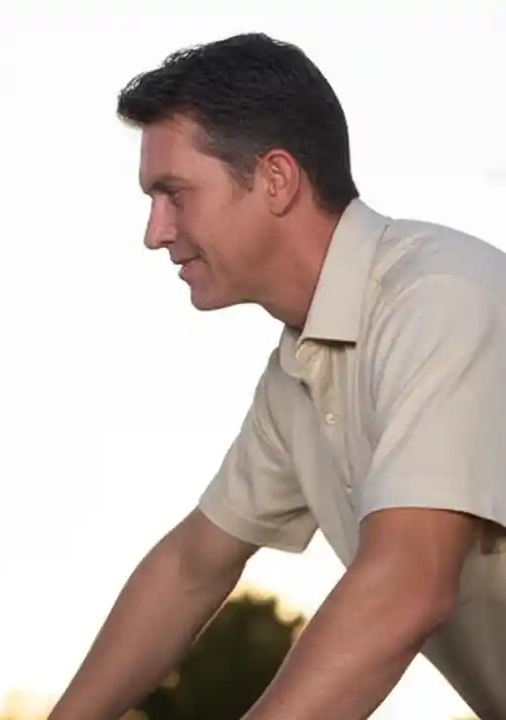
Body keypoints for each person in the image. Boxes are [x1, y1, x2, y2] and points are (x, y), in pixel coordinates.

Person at [47, 32, 506, 720]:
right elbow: (191, 567)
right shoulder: (300, 372)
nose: (155, 231)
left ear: (276, 179)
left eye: (174, 193)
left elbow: (408, 584)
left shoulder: (440, 299)